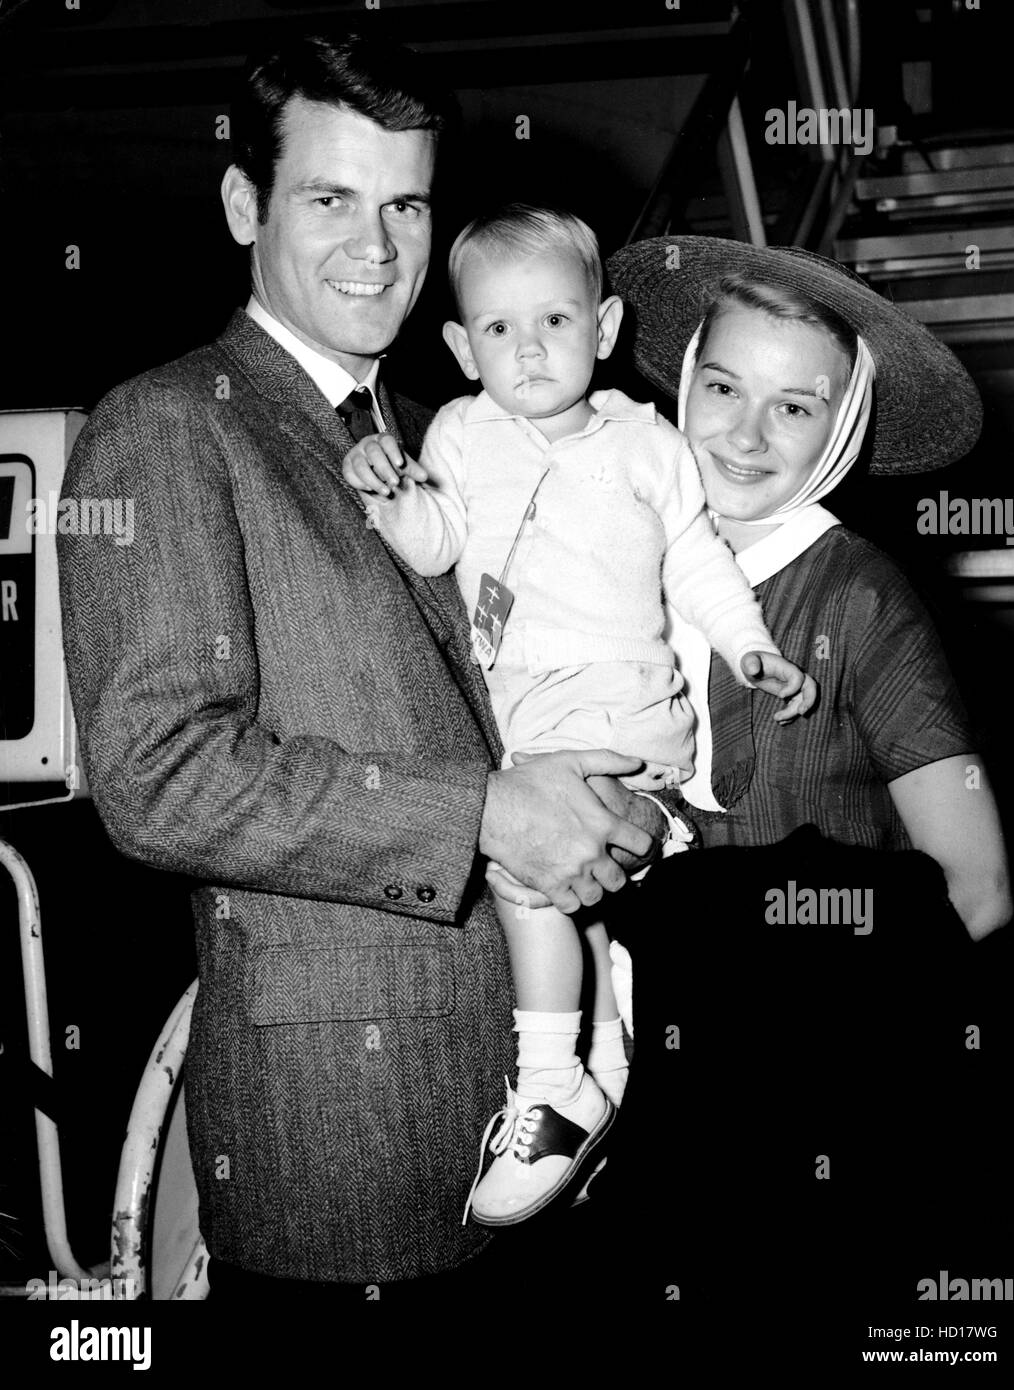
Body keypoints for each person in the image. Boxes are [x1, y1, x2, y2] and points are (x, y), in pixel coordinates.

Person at [54, 34, 674, 1300]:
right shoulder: (165, 426)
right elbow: (157, 772)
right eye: (330, 199)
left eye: (405, 203)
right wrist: (490, 813)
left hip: (537, 1096)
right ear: (245, 206)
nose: (378, 247)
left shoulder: (459, 430)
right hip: (348, 1146)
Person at [342, 204, 816, 1226]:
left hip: (625, 719)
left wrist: (752, 647)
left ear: (602, 330)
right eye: (499, 331)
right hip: (525, 727)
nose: (529, 349)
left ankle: (551, 1085)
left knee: (527, 881)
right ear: (464, 348)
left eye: (553, 321)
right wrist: (383, 489)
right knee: (582, 904)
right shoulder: (461, 433)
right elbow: (433, 545)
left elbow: (699, 563)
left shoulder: (647, 444)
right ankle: (608, 1054)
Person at [606, 235, 1011, 941]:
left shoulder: (859, 595)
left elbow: (979, 889)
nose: (745, 436)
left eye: (793, 408)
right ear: (686, 376)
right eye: (724, 388)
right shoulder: (610, 544)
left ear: (842, 426)